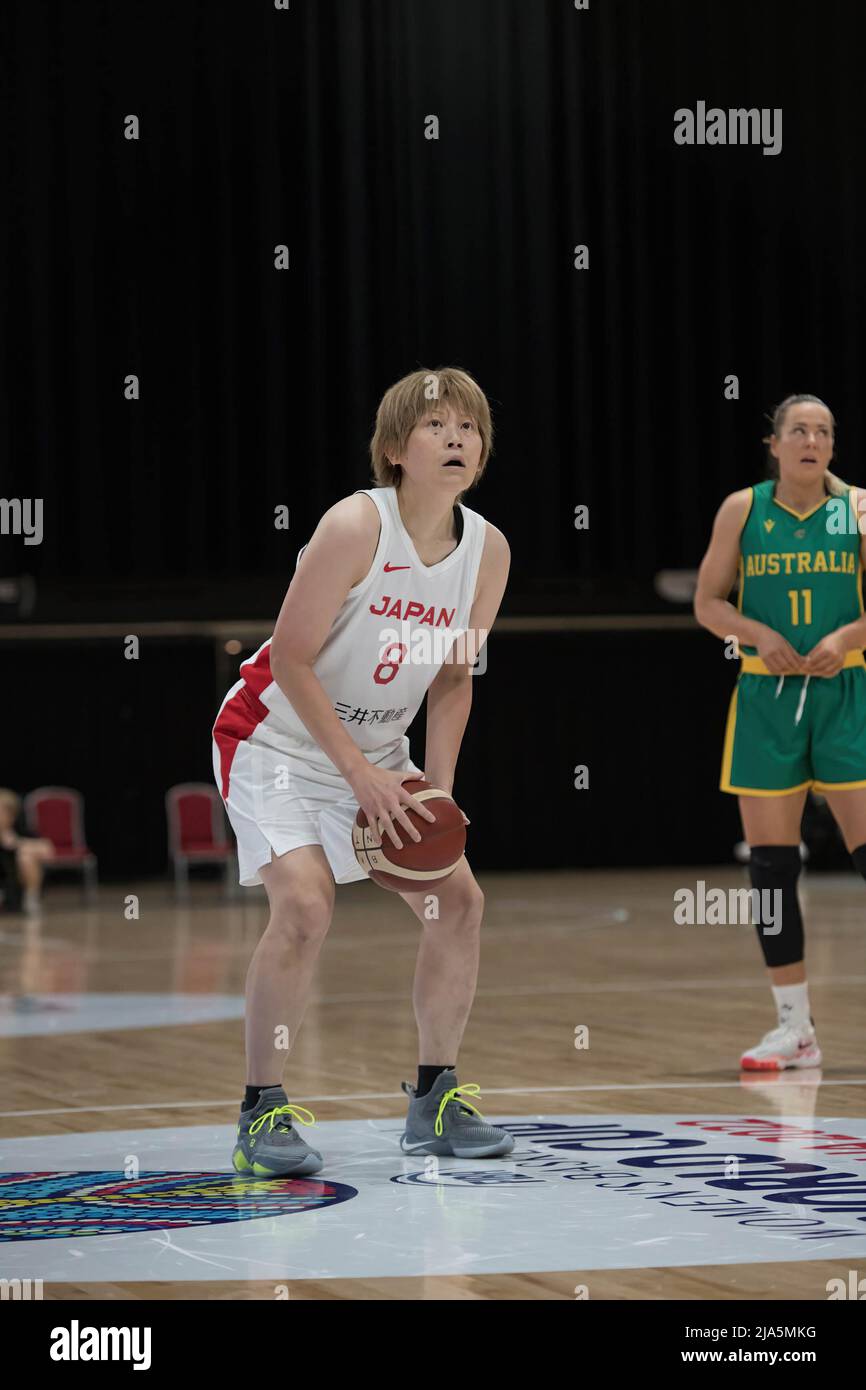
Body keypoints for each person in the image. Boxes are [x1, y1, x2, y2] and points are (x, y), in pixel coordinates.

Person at [212, 367, 513, 1174]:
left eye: (468, 428)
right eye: (435, 425)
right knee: (306, 905)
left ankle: (435, 1099)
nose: (455, 439)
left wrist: (436, 789)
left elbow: (453, 678)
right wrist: (357, 775)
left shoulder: (487, 550)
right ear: (393, 450)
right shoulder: (355, 525)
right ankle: (261, 1108)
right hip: (275, 741)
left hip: (379, 753)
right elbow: (295, 662)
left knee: (459, 901)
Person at [694, 393, 866, 1070]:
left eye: (824, 430)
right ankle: (794, 1026)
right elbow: (708, 602)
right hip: (767, 693)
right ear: (774, 442)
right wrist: (754, 630)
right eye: (799, 429)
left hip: (844, 690)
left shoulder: (857, 508)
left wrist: (850, 633)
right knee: (772, 871)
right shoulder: (743, 509)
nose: (812, 439)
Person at [0, 789, 55, 914]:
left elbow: (48, 849)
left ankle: (31, 900)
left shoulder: (20, 829)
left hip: (18, 882)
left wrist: (17, 843)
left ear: (11, 814)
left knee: (26, 856)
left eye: (2, 811)